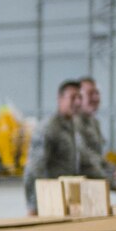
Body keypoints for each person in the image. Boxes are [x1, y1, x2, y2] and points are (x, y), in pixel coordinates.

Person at [25, 80, 84, 212]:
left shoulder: (73, 126)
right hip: (51, 201)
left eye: (80, 97)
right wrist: (33, 207)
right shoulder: (49, 128)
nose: (78, 102)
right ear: (60, 99)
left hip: (69, 198)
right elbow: (33, 171)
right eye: (73, 97)